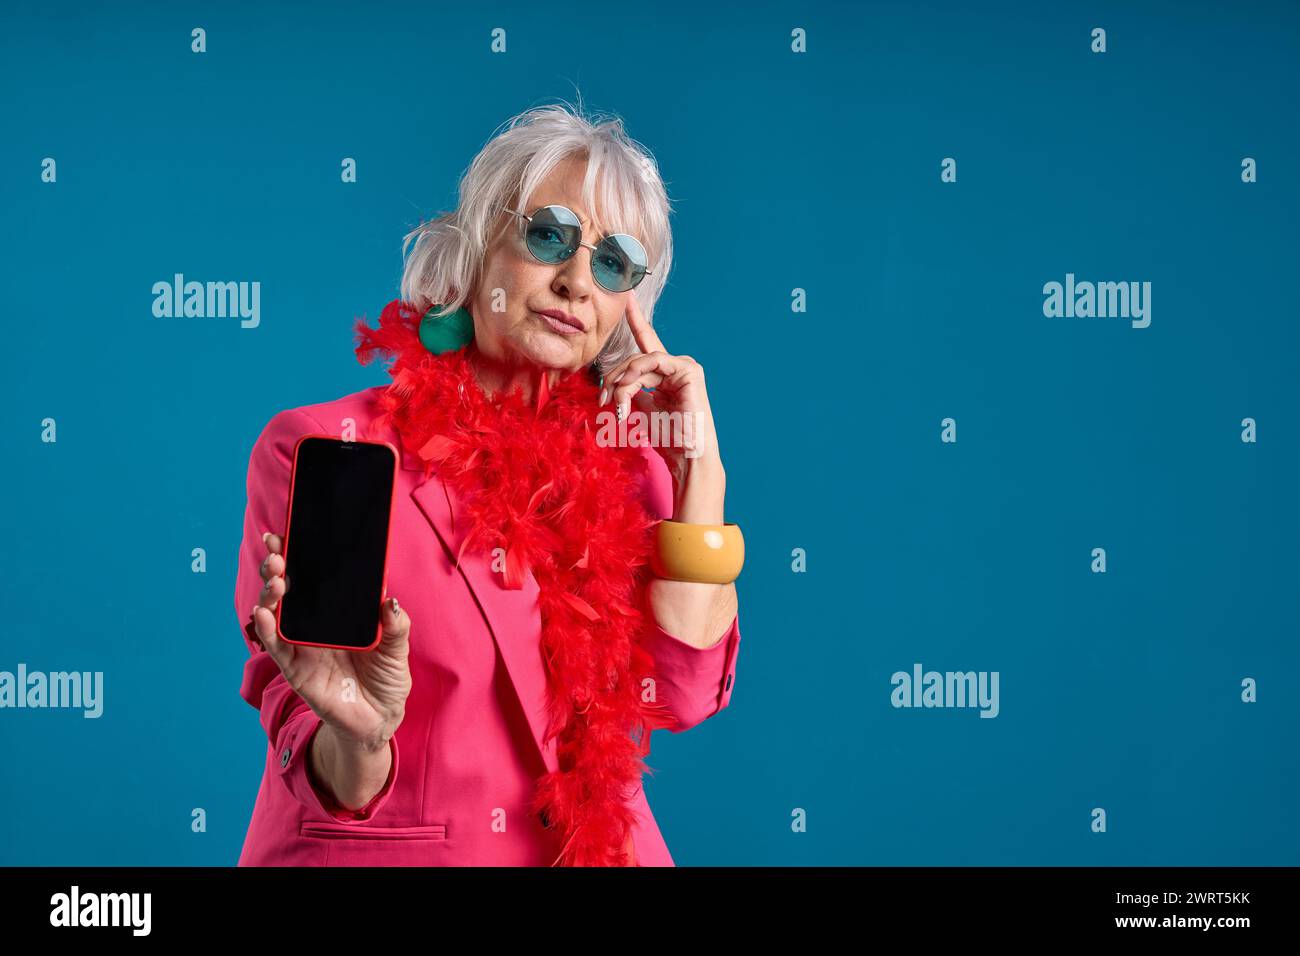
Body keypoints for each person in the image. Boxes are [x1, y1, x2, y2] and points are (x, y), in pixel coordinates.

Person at [236, 102, 744, 866]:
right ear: (474, 250)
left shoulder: (633, 466)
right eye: (550, 236)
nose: (577, 281)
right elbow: (309, 737)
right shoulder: (332, 450)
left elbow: (679, 698)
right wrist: (358, 735)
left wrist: (698, 469)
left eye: (614, 264)